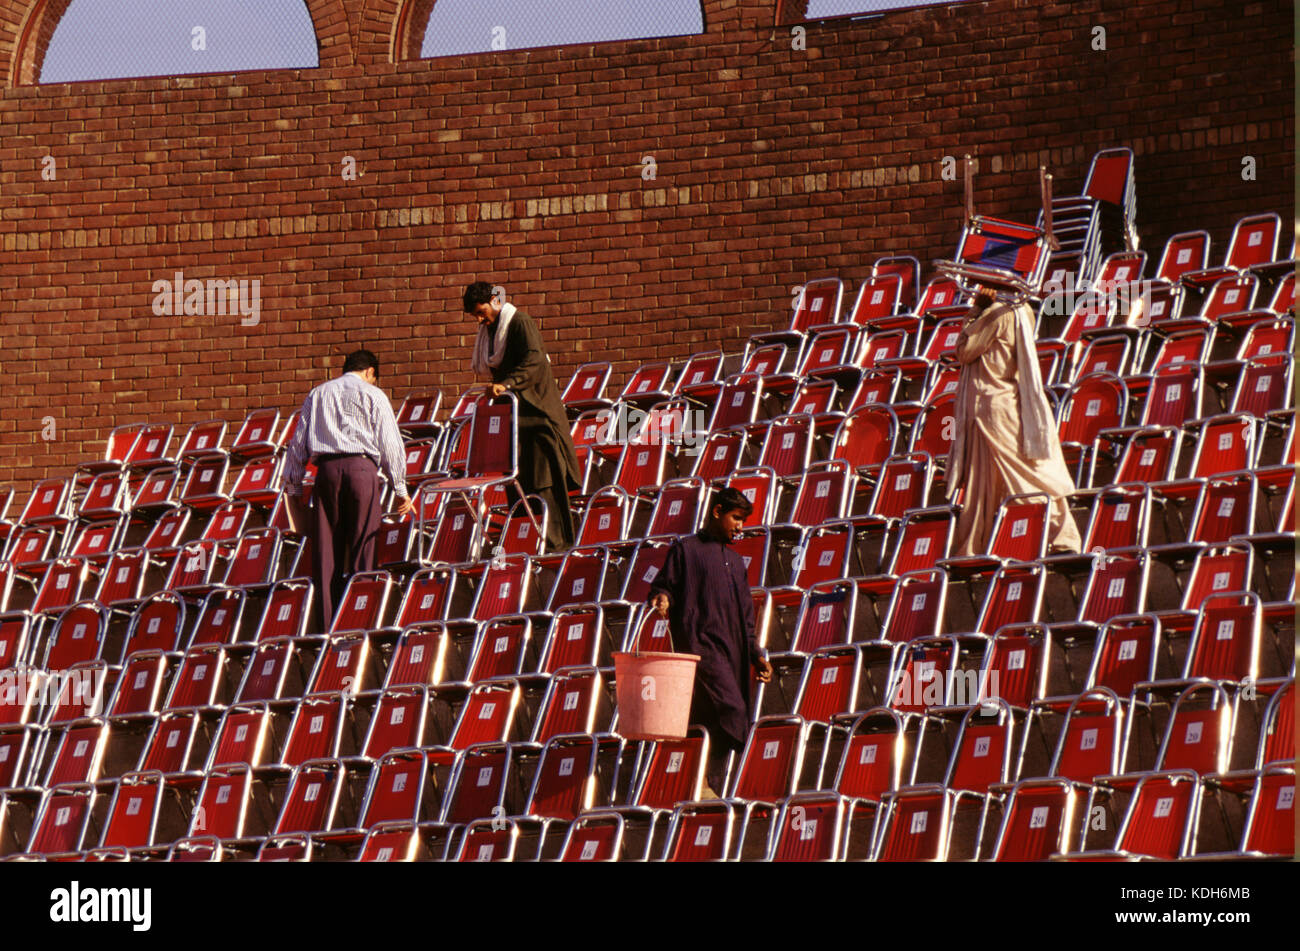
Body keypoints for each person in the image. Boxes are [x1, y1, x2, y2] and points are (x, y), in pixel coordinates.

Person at [648, 487, 774, 798]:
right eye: (736, 518)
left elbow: (746, 616)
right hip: (698, 648)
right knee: (730, 709)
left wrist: (756, 655)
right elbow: (664, 585)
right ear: (717, 512)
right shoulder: (685, 550)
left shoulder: (735, 561)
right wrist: (662, 598)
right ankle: (702, 786)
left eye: (743, 520)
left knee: (712, 719)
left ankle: (704, 787)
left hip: (732, 651)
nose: (740, 526)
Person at [283, 349, 415, 631]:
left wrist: (294, 489)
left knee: (325, 555)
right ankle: (359, 624)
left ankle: (326, 630)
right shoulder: (373, 393)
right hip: (362, 471)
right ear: (370, 372)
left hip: (326, 474)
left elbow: (297, 445)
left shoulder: (317, 394)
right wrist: (401, 488)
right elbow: (391, 444)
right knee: (363, 548)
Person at [947, 287, 1082, 555]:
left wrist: (975, 311)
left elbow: (964, 350)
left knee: (1021, 474)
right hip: (1002, 403)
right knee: (994, 477)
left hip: (992, 406)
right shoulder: (1023, 311)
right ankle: (992, 544)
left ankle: (1062, 537)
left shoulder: (995, 313)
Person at [463, 281, 581, 552]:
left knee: (543, 481)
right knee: (517, 483)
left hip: (538, 416)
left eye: (481, 312)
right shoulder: (490, 331)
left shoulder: (520, 322)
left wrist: (507, 384)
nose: (480, 320)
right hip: (516, 419)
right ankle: (525, 541)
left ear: (494, 301)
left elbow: (535, 361)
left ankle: (554, 544)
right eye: (475, 316)